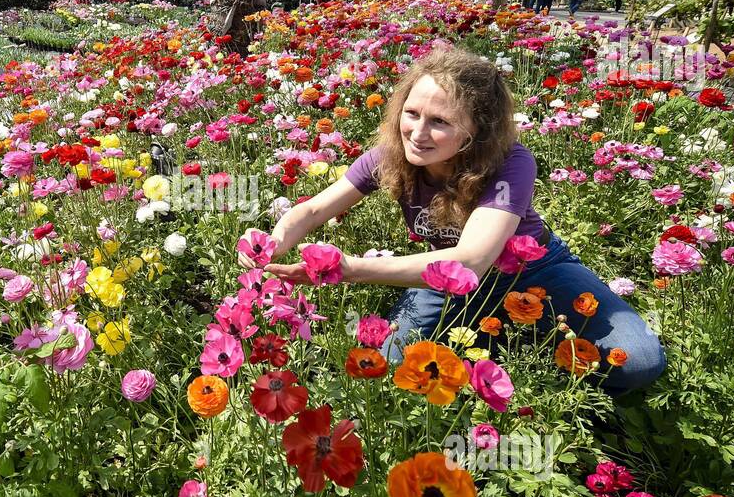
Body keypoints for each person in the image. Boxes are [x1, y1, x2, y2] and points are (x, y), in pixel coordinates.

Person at [241, 47, 667, 397]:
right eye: (411, 113)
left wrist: (348, 269)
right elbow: (314, 210)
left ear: (476, 131)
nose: (417, 132)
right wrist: (272, 242)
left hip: (535, 269)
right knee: (385, 363)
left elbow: (471, 261)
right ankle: (494, 341)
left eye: (439, 121)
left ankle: (522, 354)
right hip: (440, 280)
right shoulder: (390, 155)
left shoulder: (510, 162)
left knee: (639, 361)